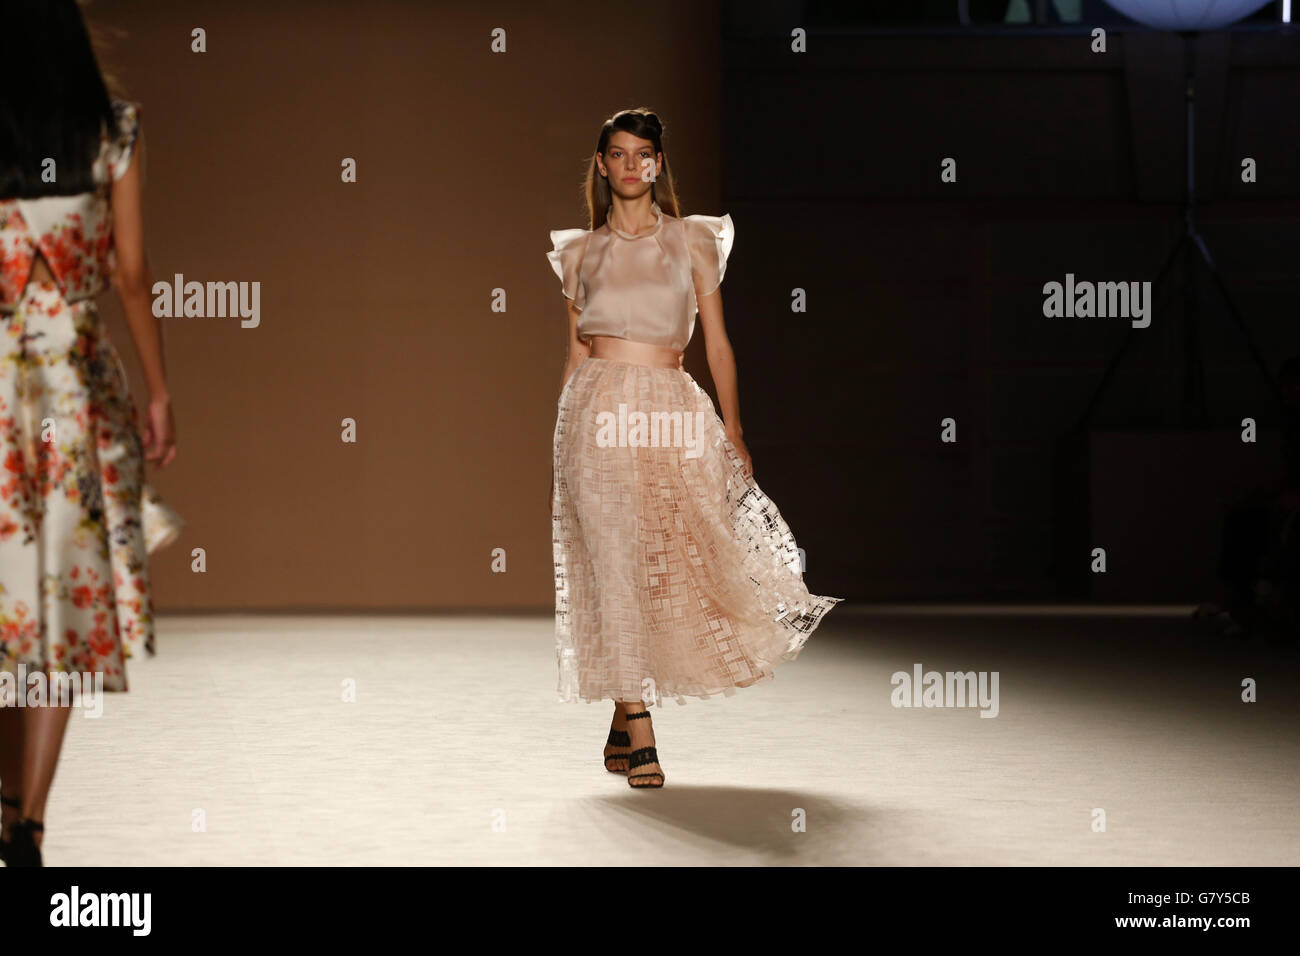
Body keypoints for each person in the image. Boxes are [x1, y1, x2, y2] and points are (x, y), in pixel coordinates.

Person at [547, 108, 841, 789]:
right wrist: (561, 441)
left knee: (671, 564)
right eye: (616, 154)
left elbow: (716, 345)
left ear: (657, 164)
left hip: (673, 410)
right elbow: (573, 355)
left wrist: (733, 431)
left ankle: (624, 714)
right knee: (612, 564)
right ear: (601, 164)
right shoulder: (577, 254)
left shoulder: (694, 242)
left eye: (641, 154)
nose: (628, 165)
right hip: (595, 412)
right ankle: (641, 729)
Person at [0, 0, 182, 866]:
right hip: (71, 387)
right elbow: (131, 273)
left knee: (7, 609)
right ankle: (25, 822)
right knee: (61, 612)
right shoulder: (112, 129)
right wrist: (156, 391)